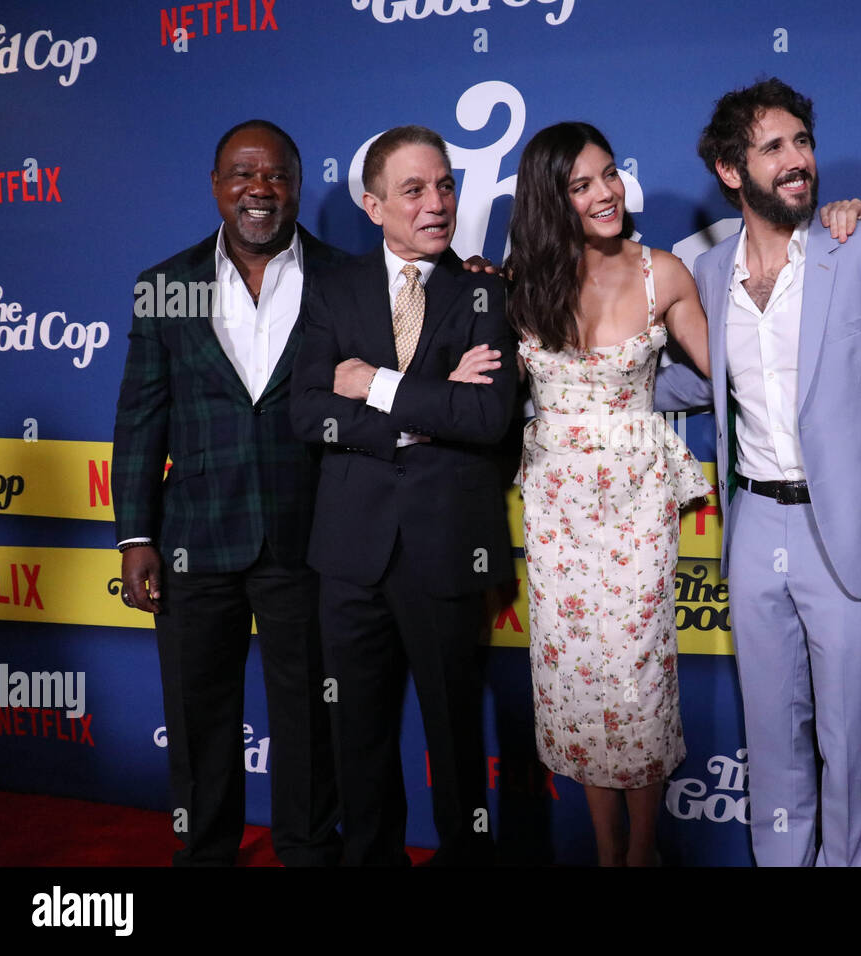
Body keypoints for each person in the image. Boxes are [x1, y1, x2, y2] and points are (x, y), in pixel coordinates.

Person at [656, 79, 861, 866]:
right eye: (774, 147)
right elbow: (697, 384)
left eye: (803, 142)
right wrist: (582, 375)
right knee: (771, 730)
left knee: (853, 738)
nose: (798, 159)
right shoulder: (705, 277)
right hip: (754, 527)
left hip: (855, 526)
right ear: (729, 171)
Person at [111, 119, 343, 866]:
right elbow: (143, 413)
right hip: (192, 538)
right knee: (198, 713)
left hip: (305, 534)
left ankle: (307, 849)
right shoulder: (168, 287)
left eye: (274, 175)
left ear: (298, 186)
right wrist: (135, 534)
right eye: (242, 174)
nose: (259, 189)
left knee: (308, 711)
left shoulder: (343, 279)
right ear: (216, 186)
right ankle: (205, 852)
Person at [290, 125, 515, 866]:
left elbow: (483, 418)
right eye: (415, 189)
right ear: (373, 204)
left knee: (455, 738)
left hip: (448, 548)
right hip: (350, 553)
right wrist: (419, 416)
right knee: (358, 736)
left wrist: (376, 385)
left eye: (445, 185)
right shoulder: (333, 289)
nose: (437, 203)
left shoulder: (485, 289)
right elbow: (306, 411)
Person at [504, 122, 713, 866]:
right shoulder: (519, 288)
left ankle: (642, 856)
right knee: (579, 681)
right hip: (558, 509)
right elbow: (489, 397)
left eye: (609, 174)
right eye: (581, 185)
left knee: (638, 679)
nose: (605, 193)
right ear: (550, 202)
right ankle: (604, 854)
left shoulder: (664, 274)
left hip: (635, 505)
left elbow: (732, 376)